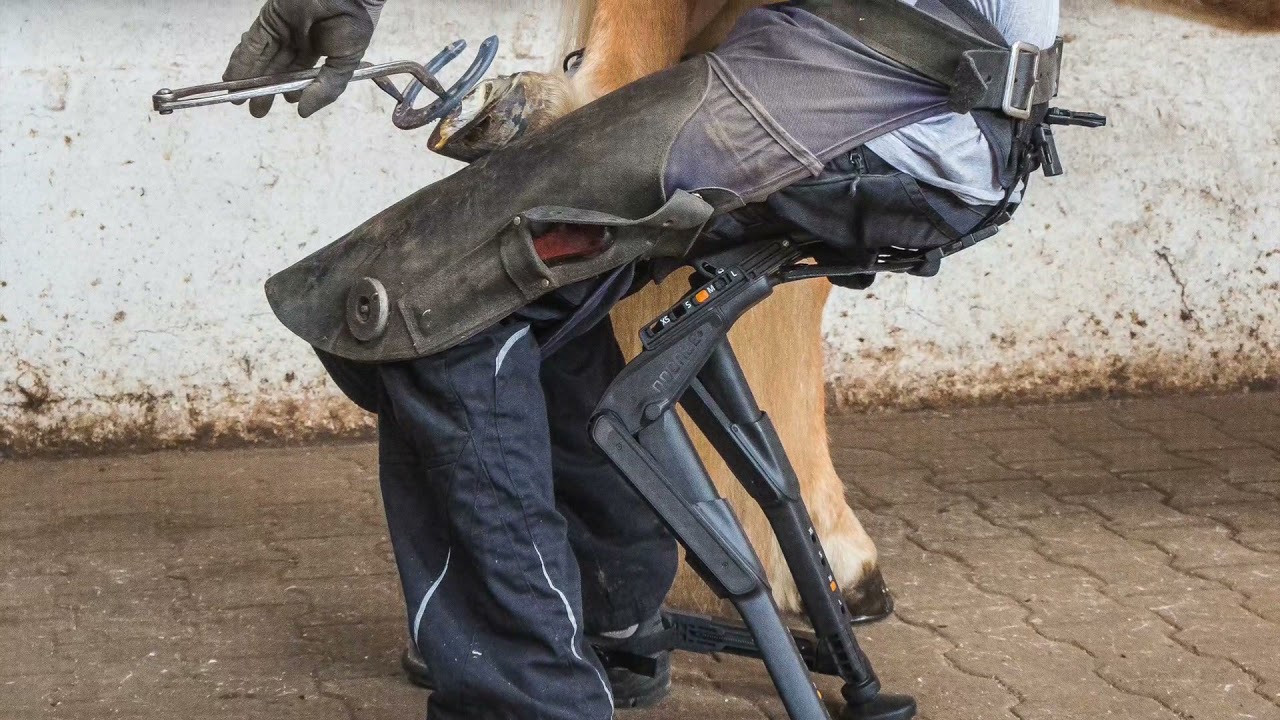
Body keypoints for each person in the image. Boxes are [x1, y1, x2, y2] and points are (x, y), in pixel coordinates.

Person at [223, 0, 1060, 717]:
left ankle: (533, 695)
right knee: (515, 280)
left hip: (869, 110)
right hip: (904, 107)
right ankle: (606, 610)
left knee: (418, 304)